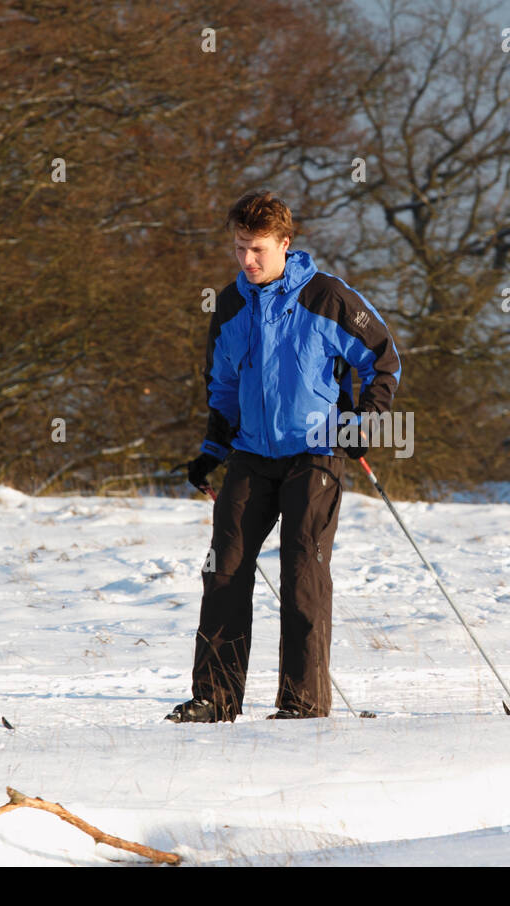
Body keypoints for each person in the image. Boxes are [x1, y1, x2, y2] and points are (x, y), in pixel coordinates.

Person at [167, 191, 401, 722]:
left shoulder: (329, 298)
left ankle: (302, 704)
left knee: (302, 573)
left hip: (314, 454)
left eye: (258, 249)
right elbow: (222, 387)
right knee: (223, 570)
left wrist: (363, 420)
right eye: (239, 249)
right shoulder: (229, 305)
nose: (247, 261)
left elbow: (383, 361)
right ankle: (215, 699)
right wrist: (210, 450)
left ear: (285, 244)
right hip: (250, 456)